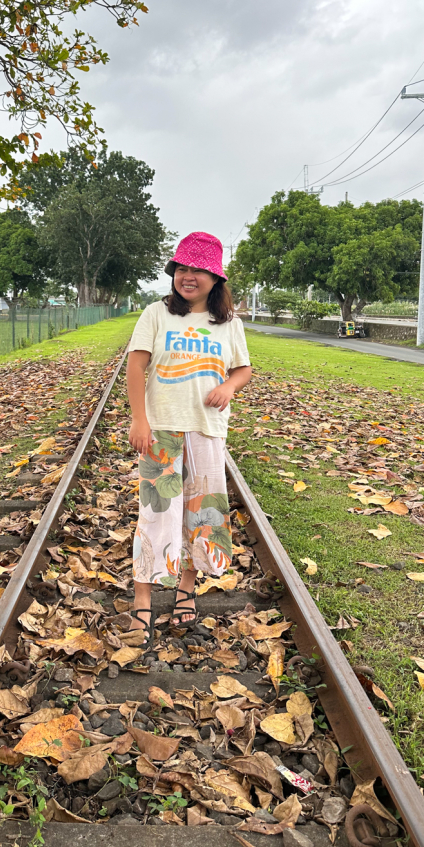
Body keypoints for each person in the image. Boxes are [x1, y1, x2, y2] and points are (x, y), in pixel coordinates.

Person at [126, 231, 252, 647]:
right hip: (161, 429)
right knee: (155, 513)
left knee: (202, 514)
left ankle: (186, 588)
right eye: (182, 268)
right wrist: (139, 420)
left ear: (215, 278)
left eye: (198, 269)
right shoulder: (156, 314)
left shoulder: (229, 324)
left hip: (206, 429)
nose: (188, 276)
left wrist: (229, 386)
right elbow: (136, 366)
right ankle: (143, 600)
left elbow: (243, 369)